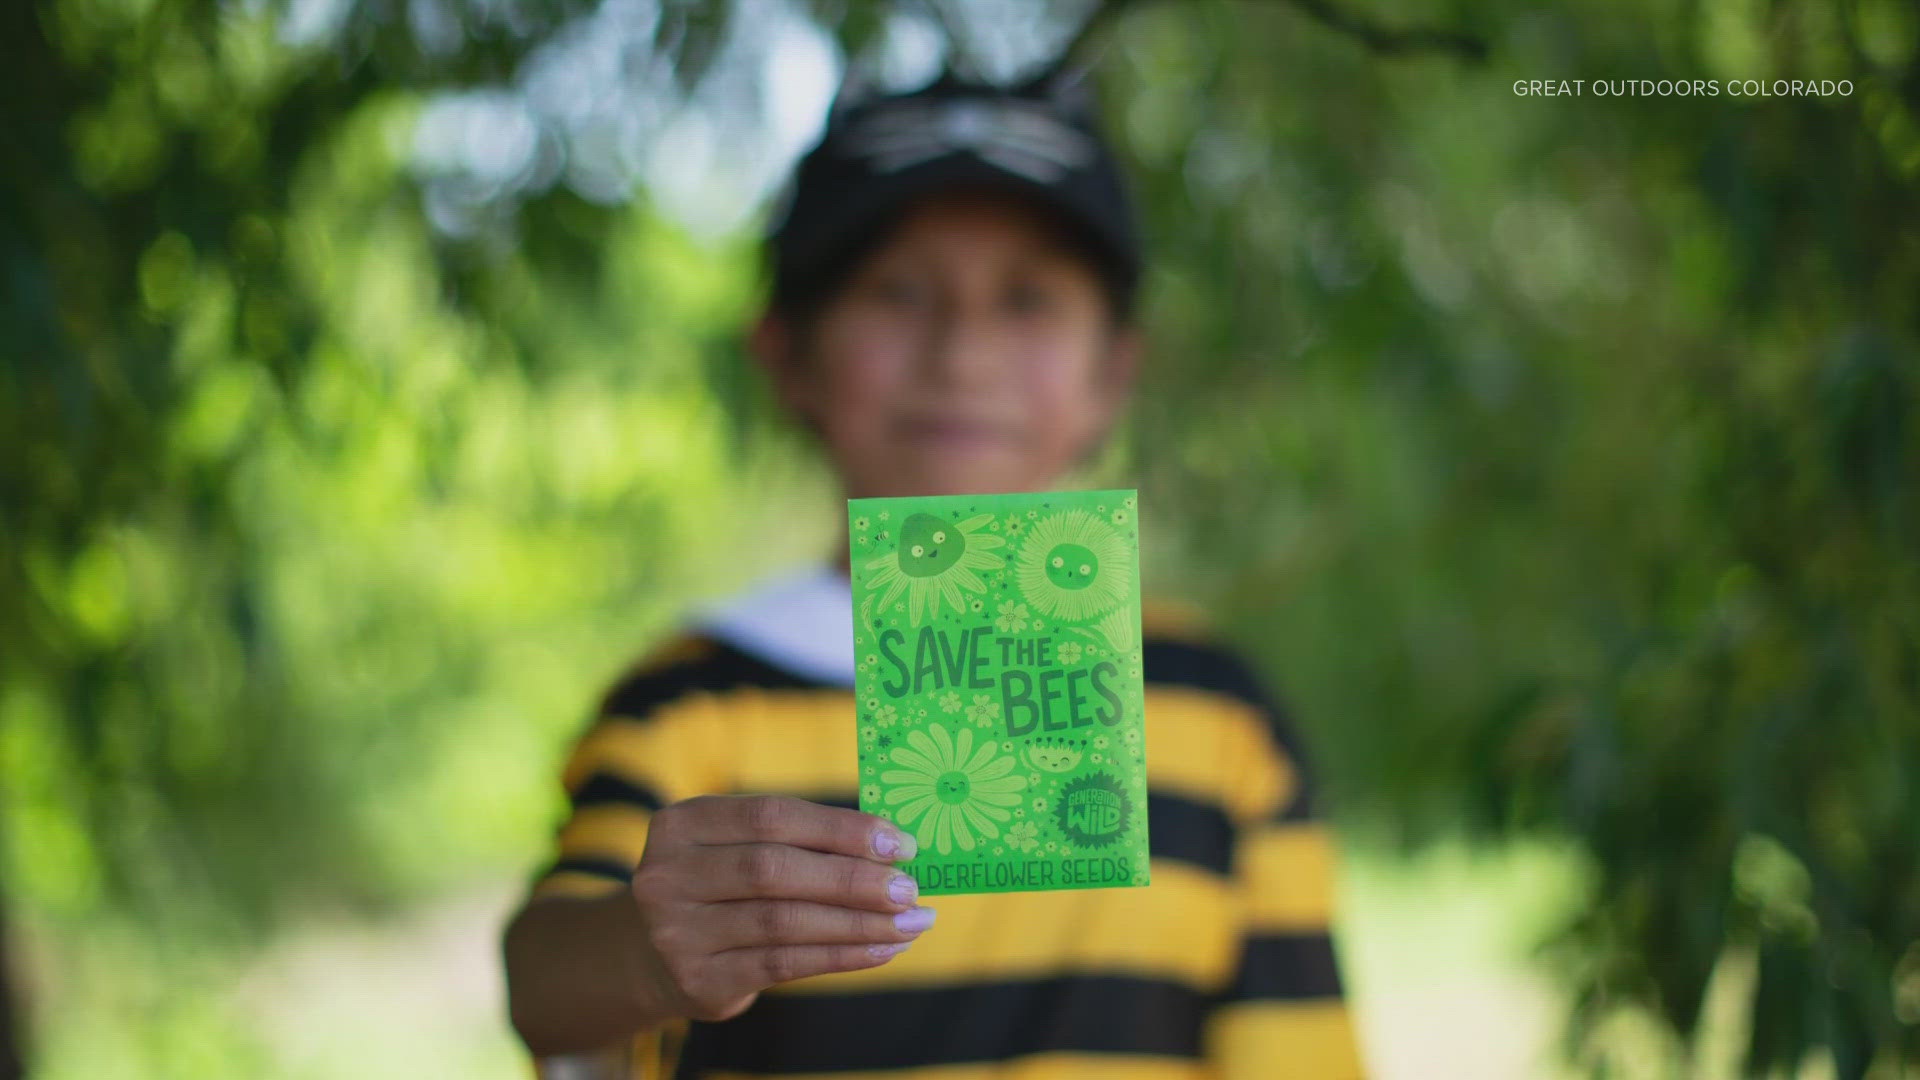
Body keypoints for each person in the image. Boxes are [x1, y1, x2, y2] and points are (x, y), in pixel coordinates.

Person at [502, 59, 1367, 1080]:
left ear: (1113, 373)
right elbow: (544, 989)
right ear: (788, 356)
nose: (963, 353)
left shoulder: (1220, 717)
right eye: (898, 292)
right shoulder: (687, 711)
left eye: (1028, 299)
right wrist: (646, 953)